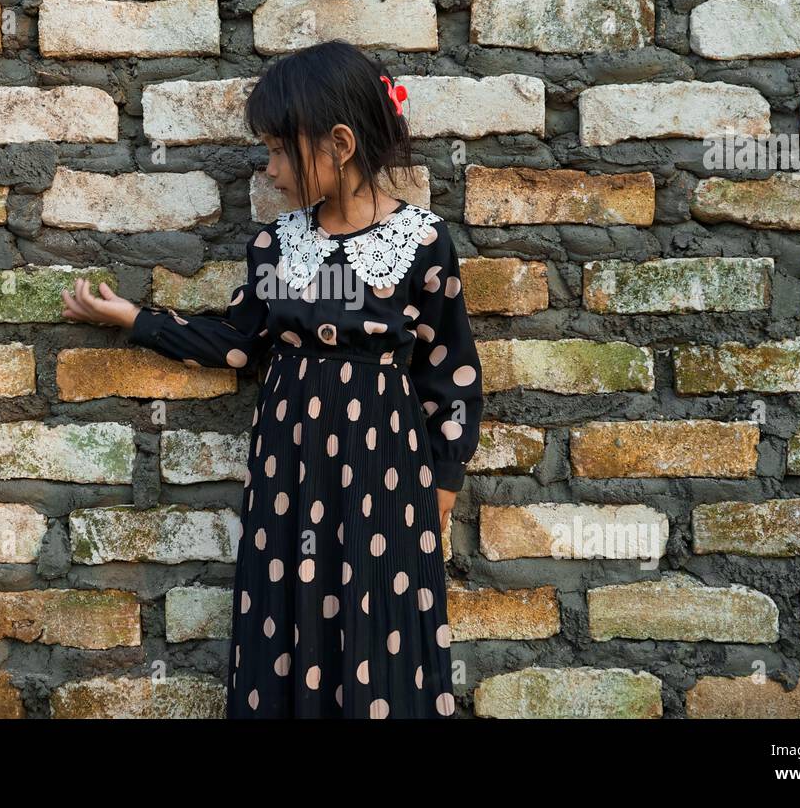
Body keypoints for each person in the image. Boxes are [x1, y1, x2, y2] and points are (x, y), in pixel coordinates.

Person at [61, 39, 484, 718]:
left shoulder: (425, 243)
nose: (272, 168)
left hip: (386, 474)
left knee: (381, 628)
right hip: (290, 472)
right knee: (288, 618)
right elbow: (236, 345)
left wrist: (444, 484)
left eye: (282, 150)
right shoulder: (275, 245)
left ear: (339, 144)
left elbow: (451, 372)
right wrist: (137, 319)